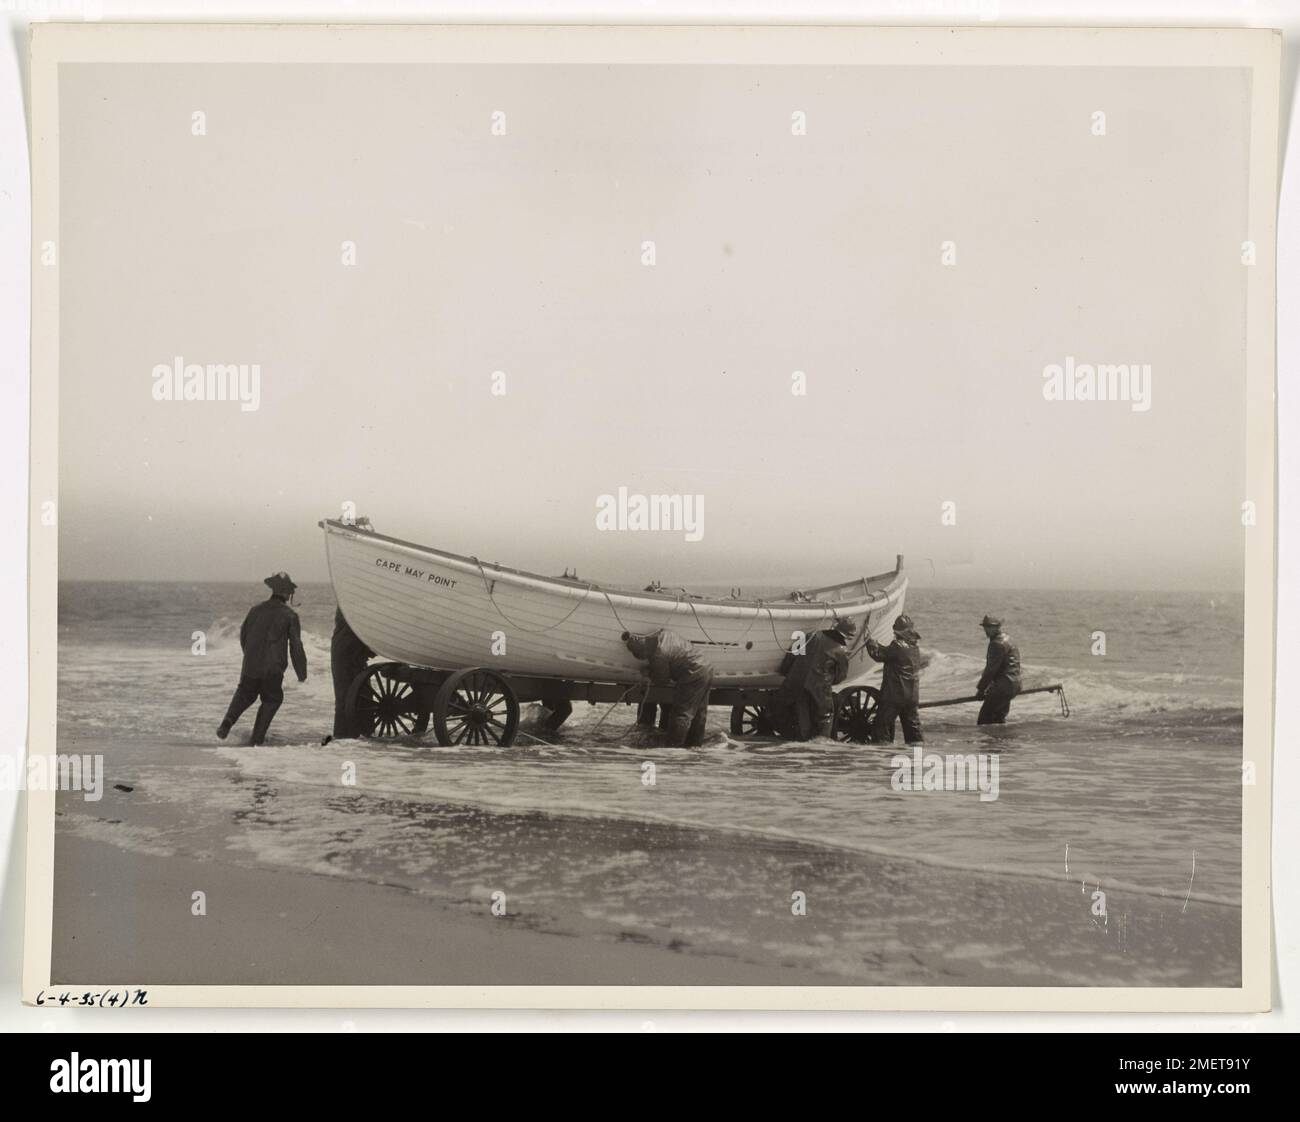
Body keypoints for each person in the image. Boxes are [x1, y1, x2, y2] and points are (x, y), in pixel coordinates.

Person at [217, 572, 308, 746]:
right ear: (287, 593)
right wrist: (301, 673)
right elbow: (296, 647)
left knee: (245, 693)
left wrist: (250, 658)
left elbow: (244, 637)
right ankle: (256, 738)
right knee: (272, 699)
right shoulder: (290, 616)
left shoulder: (255, 610)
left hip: (251, 665)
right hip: (272, 669)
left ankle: (227, 722)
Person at [623, 628, 714, 747]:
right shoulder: (663, 633)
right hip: (706, 666)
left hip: (692, 673)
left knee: (681, 713)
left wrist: (649, 672)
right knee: (699, 713)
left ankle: (673, 747)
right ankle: (695, 746)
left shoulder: (658, 655)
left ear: (645, 652)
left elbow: (662, 680)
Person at [769, 617, 855, 737]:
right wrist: (829, 681)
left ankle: (792, 736)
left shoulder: (811, 636)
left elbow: (792, 653)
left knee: (785, 708)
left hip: (794, 681)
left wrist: (786, 672)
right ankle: (819, 744)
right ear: (846, 636)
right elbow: (841, 676)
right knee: (825, 717)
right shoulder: (840, 651)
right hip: (819, 687)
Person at [865, 614, 924, 744]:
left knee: (882, 726)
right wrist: (876, 644)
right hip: (912, 695)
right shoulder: (914, 647)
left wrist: (869, 643)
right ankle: (917, 755)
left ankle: (882, 755)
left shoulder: (897, 645)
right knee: (913, 728)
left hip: (895, 695)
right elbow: (889, 653)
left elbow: (879, 655)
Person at [329, 607, 374, 740]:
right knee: (347, 696)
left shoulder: (347, 605)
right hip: (347, 651)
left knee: (359, 695)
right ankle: (345, 735)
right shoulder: (349, 607)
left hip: (348, 651)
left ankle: (356, 734)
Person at [976, 614, 1021, 725]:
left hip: (1003, 686)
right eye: (985, 627)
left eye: (989, 627)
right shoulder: (1009, 639)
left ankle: (993, 741)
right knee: (998, 719)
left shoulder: (996, 644)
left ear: (997, 627)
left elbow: (991, 670)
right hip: (1014, 684)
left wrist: (981, 689)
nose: (986, 630)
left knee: (984, 721)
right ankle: (1002, 741)